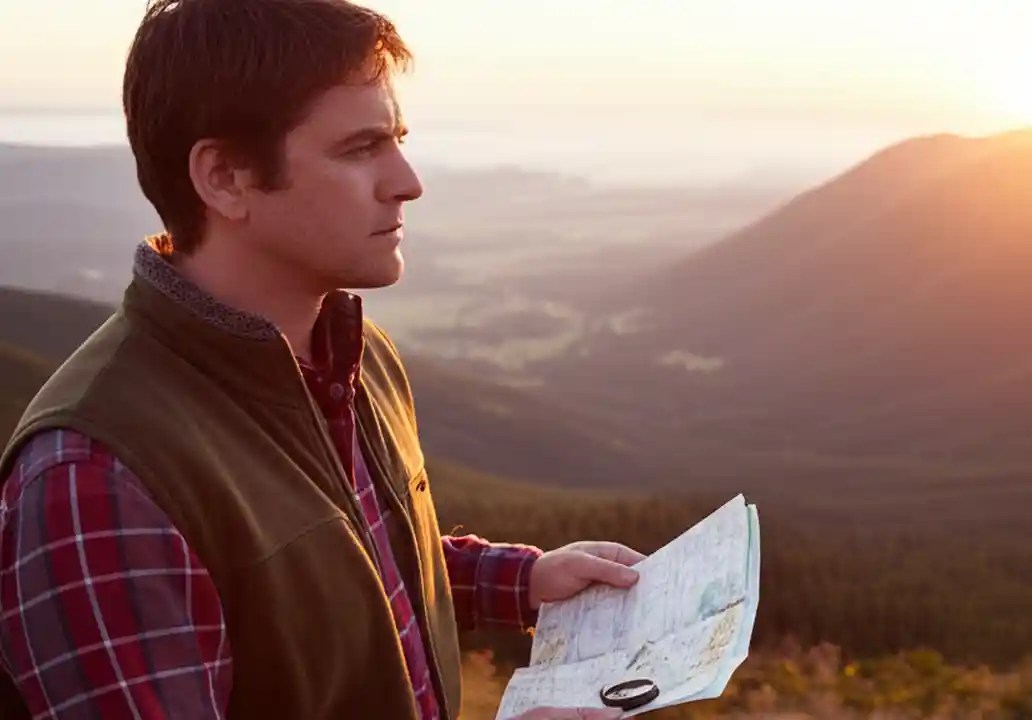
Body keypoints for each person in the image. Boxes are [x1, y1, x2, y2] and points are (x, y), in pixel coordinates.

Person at [0, 1, 639, 718]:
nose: (407, 180)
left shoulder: (357, 361)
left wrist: (520, 580)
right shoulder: (95, 478)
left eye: (396, 138)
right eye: (361, 147)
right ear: (226, 179)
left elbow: (338, 572)